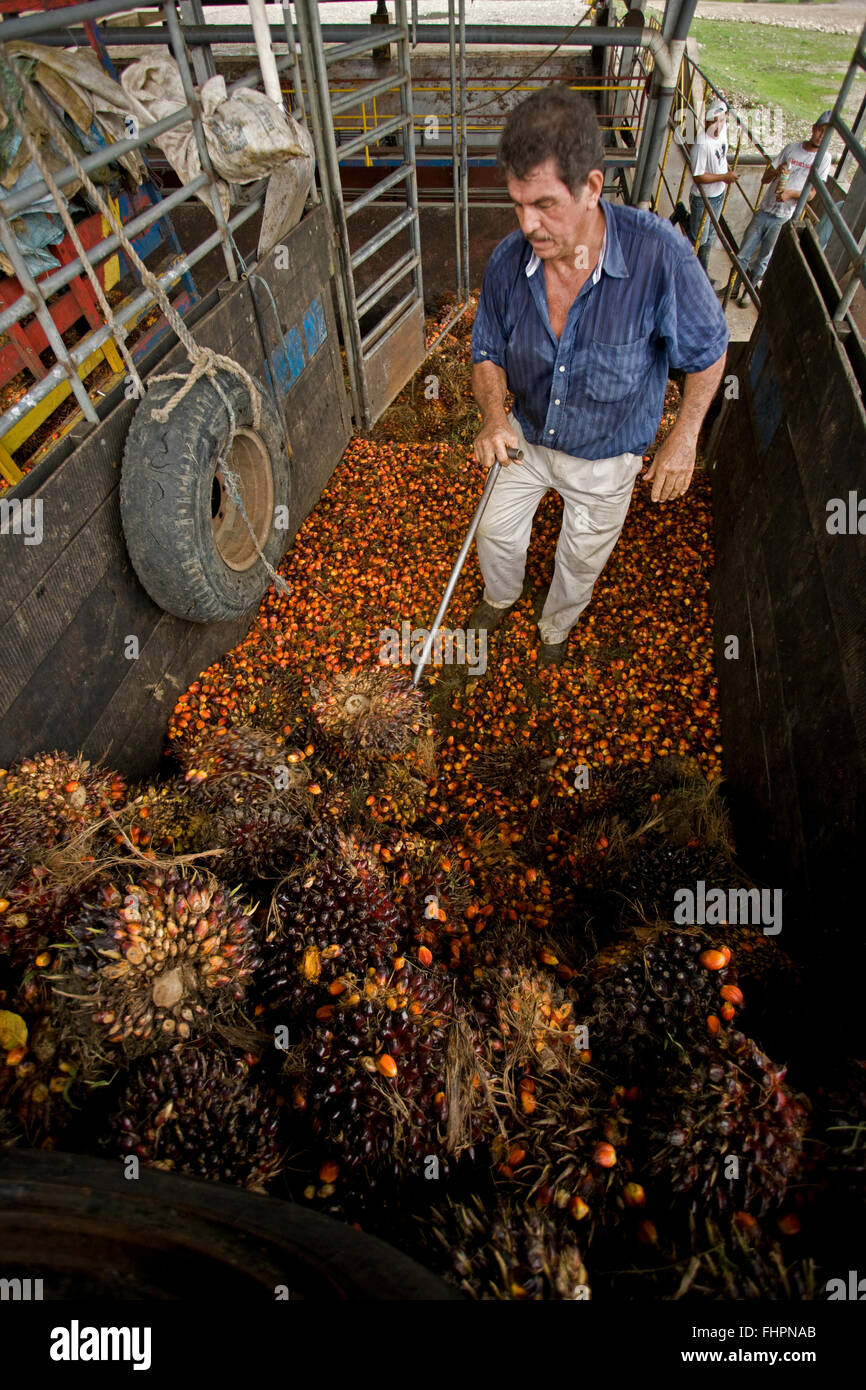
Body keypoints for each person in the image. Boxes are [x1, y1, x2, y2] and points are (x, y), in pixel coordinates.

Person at [469, 87, 729, 669]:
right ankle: (499, 597)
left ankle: (556, 628)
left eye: (543, 204)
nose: (528, 224)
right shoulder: (510, 261)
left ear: (591, 186)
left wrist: (684, 438)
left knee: (580, 559)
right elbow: (485, 349)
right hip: (528, 439)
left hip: (607, 458)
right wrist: (492, 417)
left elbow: (709, 353)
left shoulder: (659, 257)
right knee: (494, 532)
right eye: (516, 204)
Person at [733, 112, 832, 304]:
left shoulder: (824, 159)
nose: (821, 135)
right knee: (743, 251)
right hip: (765, 209)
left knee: (764, 257)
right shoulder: (792, 148)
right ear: (813, 128)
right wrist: (776, 172)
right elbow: (765, 179)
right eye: (820, 130)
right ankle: (734, 285)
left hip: (784, 217)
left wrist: (790, 194)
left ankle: (749, 292)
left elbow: (811, 195)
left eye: (826, 134)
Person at [688, 98, 739, 286]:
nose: (717, 126)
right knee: (698, 237)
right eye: (713, 122)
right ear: (707, 122)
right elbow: (698, 176)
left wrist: (724, 172)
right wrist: (724, 177)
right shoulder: (702, 144)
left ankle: (703, 272)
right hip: (703, 197)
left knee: (709, 235)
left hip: (718, 194)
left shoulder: (722, 131)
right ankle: (693, 274)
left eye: (721, 121)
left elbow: (722, 155)